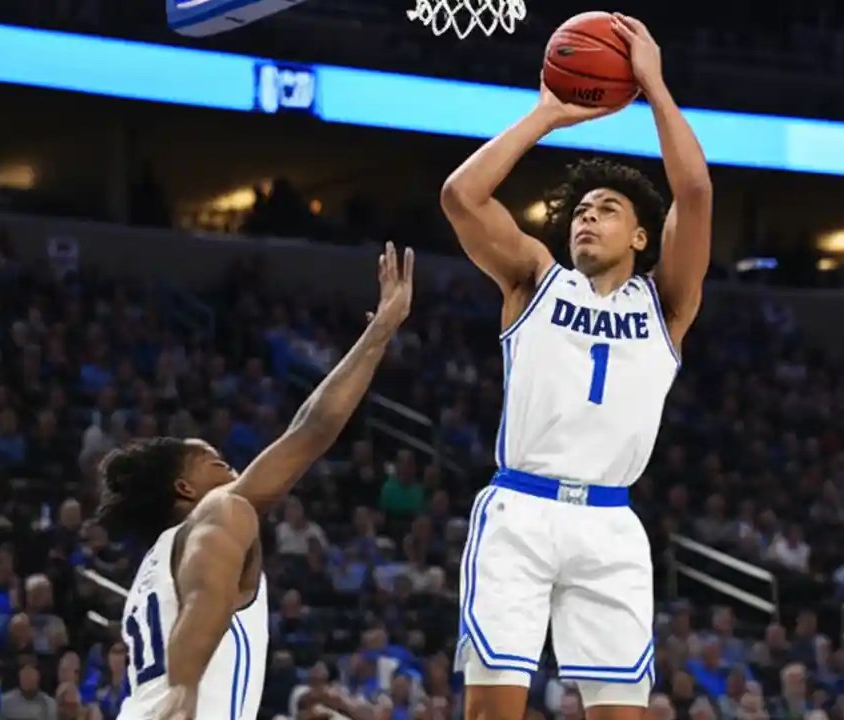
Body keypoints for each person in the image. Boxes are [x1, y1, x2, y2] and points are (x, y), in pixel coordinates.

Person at [439, 13, 711, 720]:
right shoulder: (535, 278)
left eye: (607, 210)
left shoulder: (666, 305)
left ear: (641, 236)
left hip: (611, 523)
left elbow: (695, 195)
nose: (586, 218)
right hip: (521, 510)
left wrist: (653, 86)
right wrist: (547, 115)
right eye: (580, 210)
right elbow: (461, 197)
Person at [96, 244, 414, 720]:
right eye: (216, 463)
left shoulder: (151, 572)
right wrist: (184, 688)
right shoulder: (219, 512)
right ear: (184, 489)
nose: (234, 471)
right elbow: (310, 430)